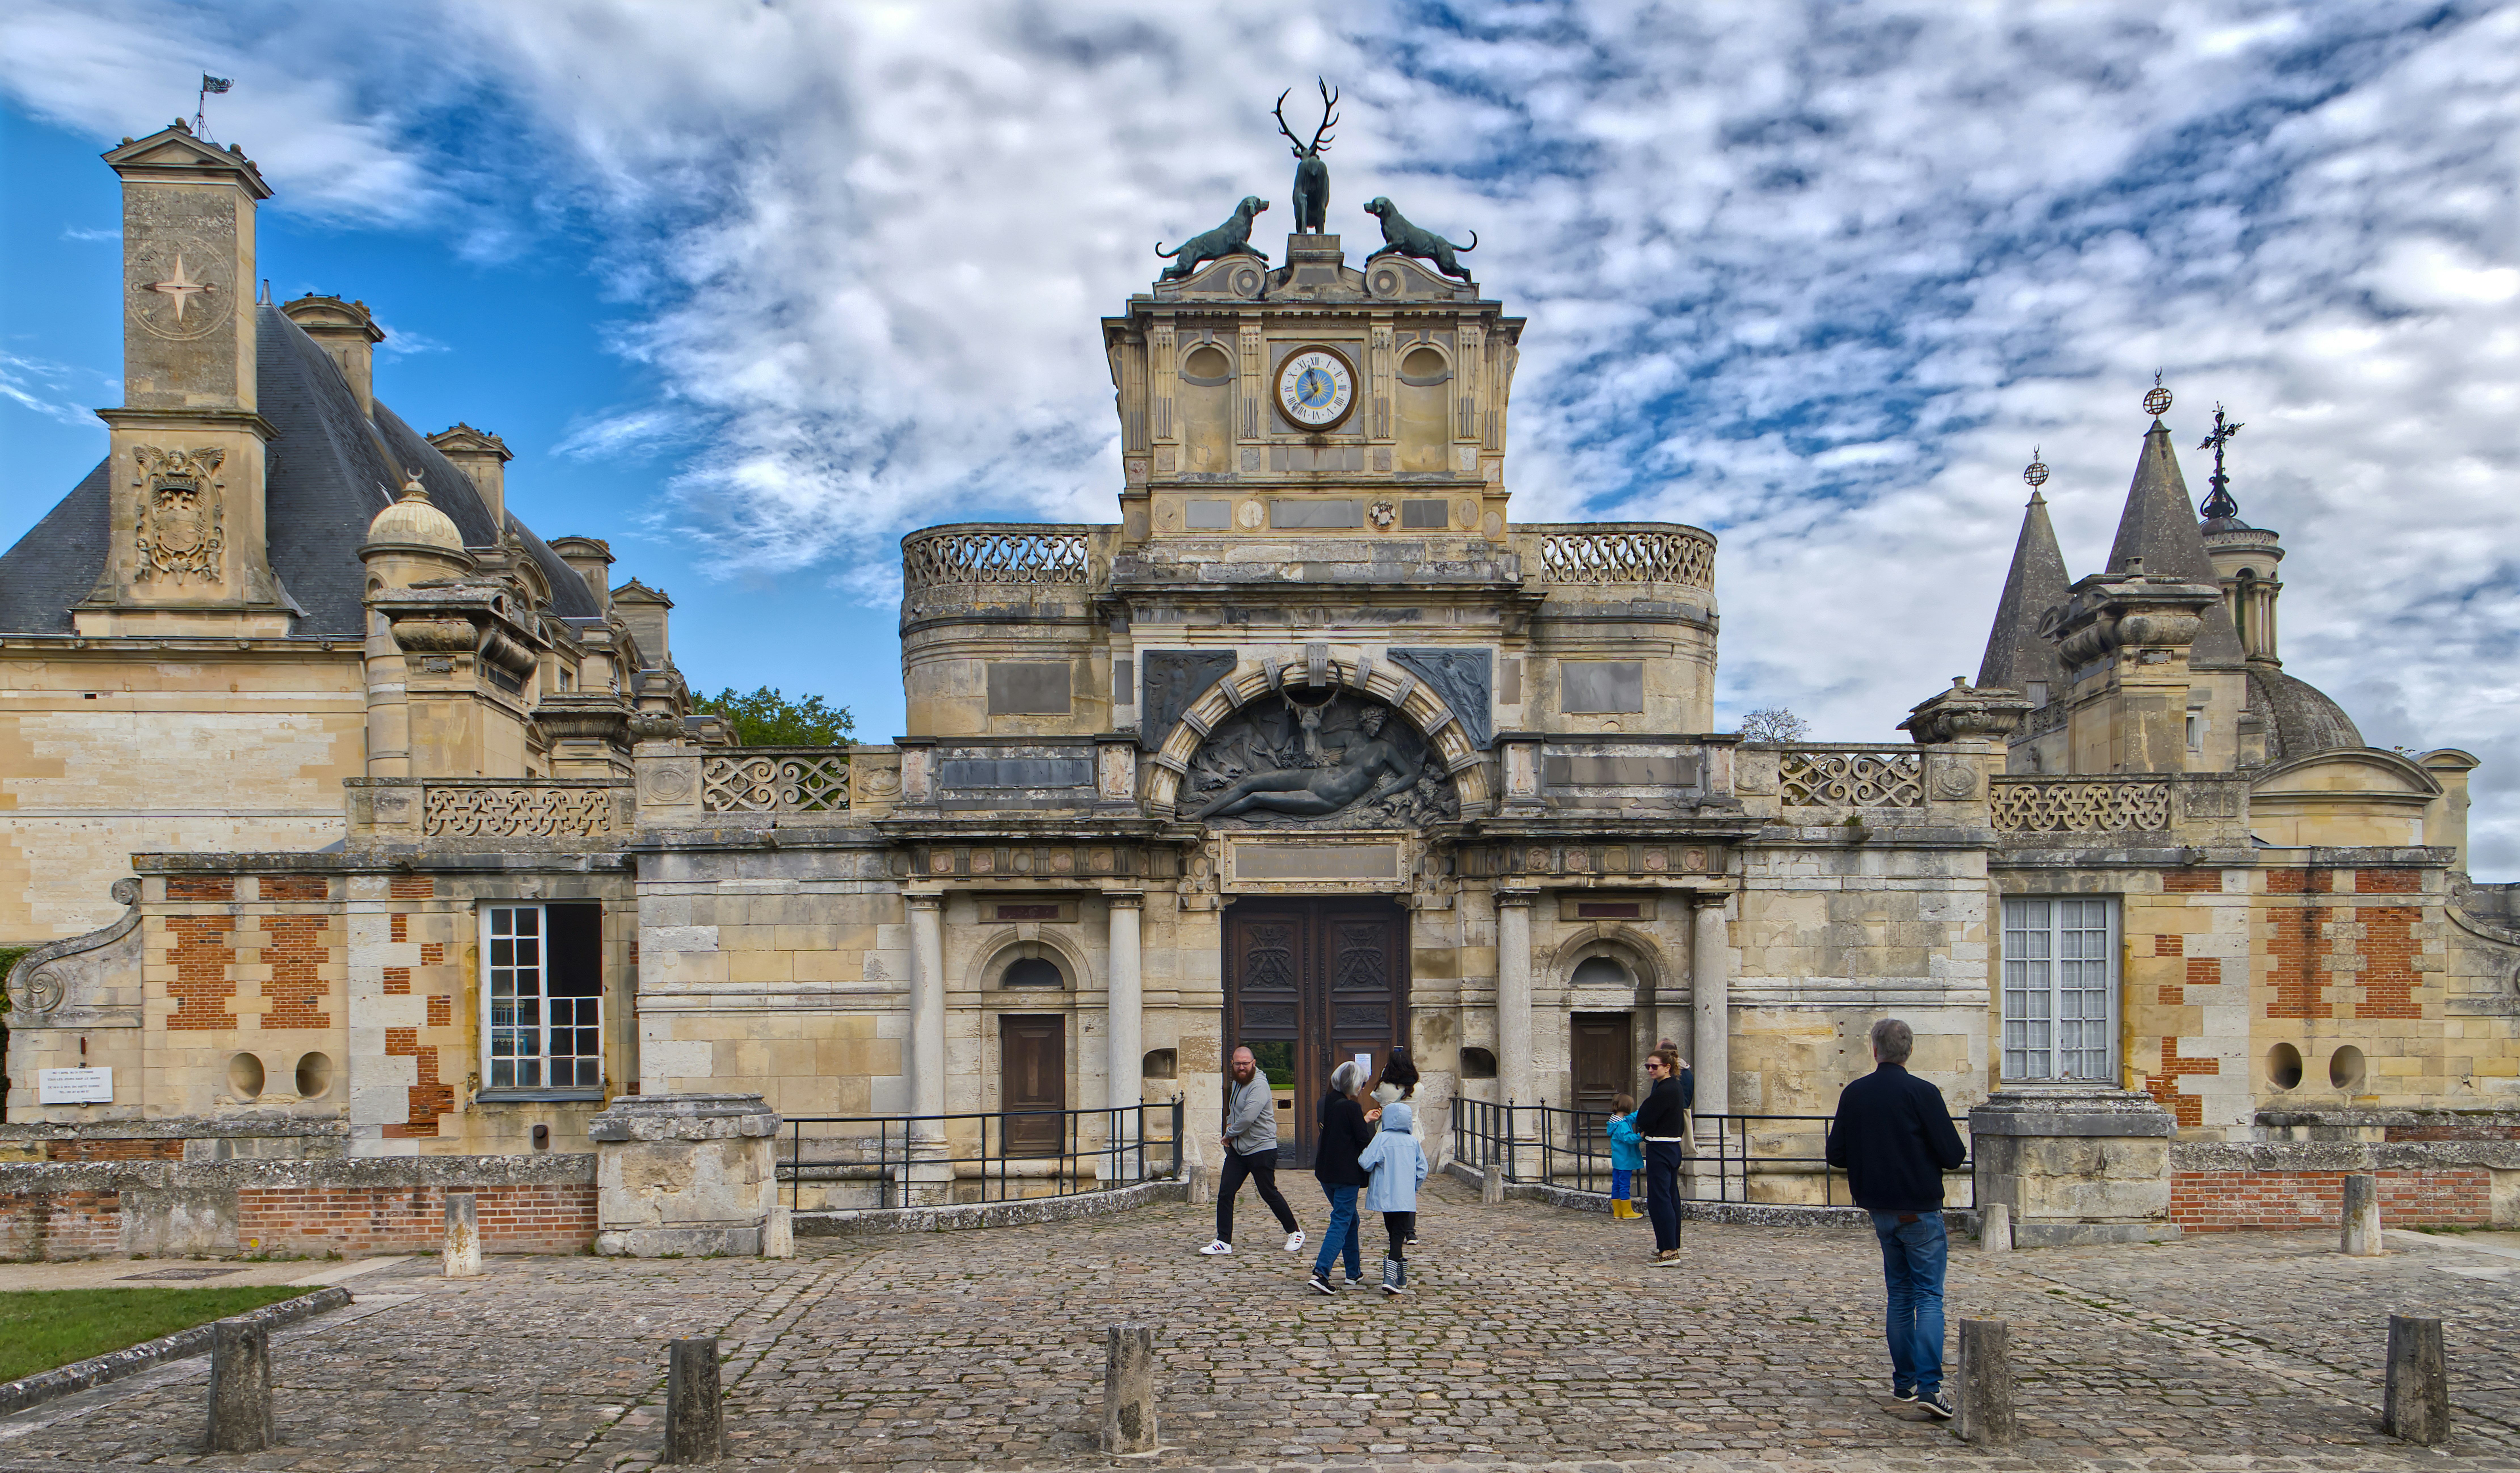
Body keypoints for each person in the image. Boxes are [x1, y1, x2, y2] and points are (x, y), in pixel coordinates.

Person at [1825, 1017, 1969, 1420]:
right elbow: (1953, 1154)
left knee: (1901, 1295)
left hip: (1880, 1208)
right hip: (1919, 1207)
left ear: (1875, 1050)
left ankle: (1904, 1382)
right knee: (1928, 1296)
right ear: (1909, 1051)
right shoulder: (1922, 1092)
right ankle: (1929, 1386)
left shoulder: (1856, 1093)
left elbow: (1836, 1154)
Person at [1201, 1045, 1304, 1257]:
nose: (1241, 1067)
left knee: (1268, 1193)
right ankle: (1223, 1241)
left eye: (1245, 1064)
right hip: (1240, 1151)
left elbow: (1248, 1117)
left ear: (1253, 1064)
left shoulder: (1259, 1085)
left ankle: (1295, 1232)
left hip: (1261, 1149)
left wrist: (1230, 1134)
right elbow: (1234, 1111)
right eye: (1238, 1064)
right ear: (1233, 1063)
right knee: (1226, 1193)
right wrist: (1230, 1127)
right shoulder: (1238, 1083)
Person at [1308, 1060, 1377, 1293]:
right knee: (1340, 1221)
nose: (1363, 1088)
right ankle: (1321, 1272)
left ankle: (1353, 1273)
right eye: (1362, 1084)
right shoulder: (1351, 1108)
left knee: (1351, 1220)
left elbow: (1340, 1130)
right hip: (1346, 1174)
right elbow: (1362, 1140)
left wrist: (1363, 1120)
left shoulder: (1326, 1103)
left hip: (1326, 1172)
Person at [1355, 1094, 1428, 1293]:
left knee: (1394, 1233)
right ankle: (1393, 1277)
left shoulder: (1381, 1139)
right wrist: (1414, 1187)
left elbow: (1366, 1162)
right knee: (1398, 1234)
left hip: (1385, 1195)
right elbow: (1423, 1169)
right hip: (1404, 1196)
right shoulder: (1412, 1142)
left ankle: (1396, 1277)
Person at [1635, 1045, 1693, 1266]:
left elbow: (1646, 1117)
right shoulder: (1673, 1087)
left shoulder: (1666, 1090)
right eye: (1648, 1066)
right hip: (1671, 1147)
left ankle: (1669, 1251)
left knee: (1661, 1200)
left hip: (1661, 1147)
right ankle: (1669, 1246)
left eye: (1654, 1066)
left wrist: (1643, 1122)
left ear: (1667, 1067)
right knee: (1670, 1197)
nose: (1650, 1070)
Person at [1371, 1049, 1426, 1242]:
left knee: (1389, 1184)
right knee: (1408, 1186)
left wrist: (1384, 1073)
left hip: (1387, 1140)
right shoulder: (1418, 1089)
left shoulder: (1384, 1087)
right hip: (1411, 1139)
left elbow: (1376, 1096)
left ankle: (1394, 1229)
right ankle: (1410, 1231)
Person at [1604, 1093, 1643, 1220]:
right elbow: (1628, 1138)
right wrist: (1640, 1137)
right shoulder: (1622, 1125)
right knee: (1625, 1185)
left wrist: (1642, 1111)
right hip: (1625, 1161)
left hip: (1618, 1161)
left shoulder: (1616, 1122)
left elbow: (1630, 1118)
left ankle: (1618, 1211)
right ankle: (1627, 1211)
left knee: (1617, 1185)